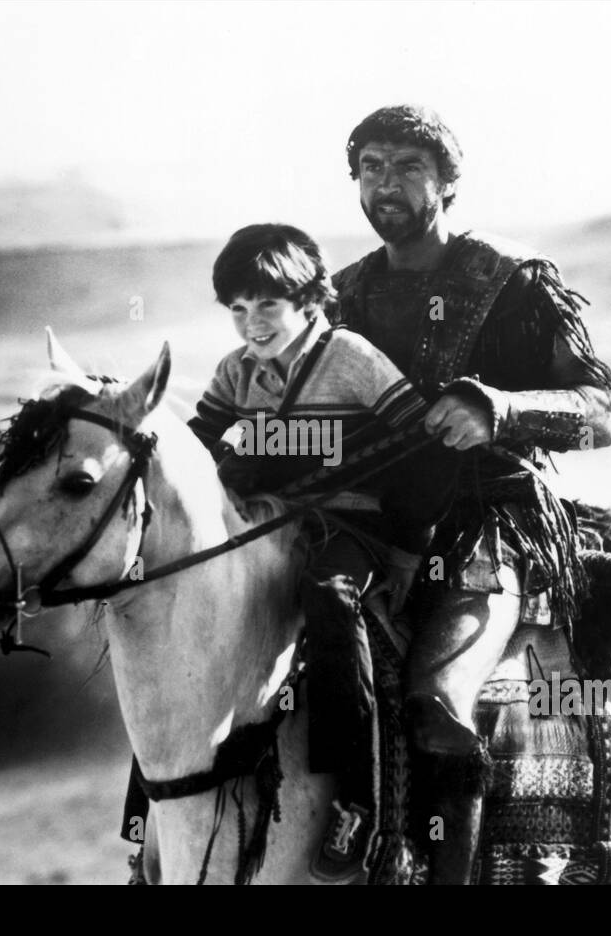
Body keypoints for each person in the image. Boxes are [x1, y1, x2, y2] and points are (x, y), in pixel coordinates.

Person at [330, 104, 611, 884]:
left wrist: (502, 409)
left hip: (490, 525)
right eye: (372, 168)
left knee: (437, 699)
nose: (386, 184)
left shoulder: (513, 281)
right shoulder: (342, 296)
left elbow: (603, 413)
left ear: (448, 185)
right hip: (370, 523)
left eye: (408, 168)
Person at [187, 223, 450, 881]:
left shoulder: (353, 358)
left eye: (266, 306)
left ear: (308, 299)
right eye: (238, 310)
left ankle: (357, 801)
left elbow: (421, 452)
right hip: (263, 532)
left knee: (329, 598)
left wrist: (407, 555)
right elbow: (198, 452)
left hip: (354, 532)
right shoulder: (234, 373)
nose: (251, 324)